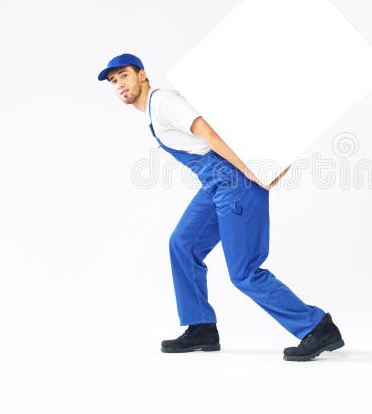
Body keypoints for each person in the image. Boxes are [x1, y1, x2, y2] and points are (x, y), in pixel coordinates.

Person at [97, 53, 344, 361]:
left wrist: (253, 171)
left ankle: (317, 327)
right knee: (183, 244)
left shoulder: (162, 104)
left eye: (124, 75)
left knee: (244, 272)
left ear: (142, 75)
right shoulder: (152, 111)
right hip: (215, 183)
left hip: (233, 180)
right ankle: (201, 327)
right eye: (113, 81)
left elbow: (210, 133)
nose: (119, 84)